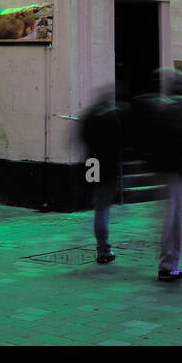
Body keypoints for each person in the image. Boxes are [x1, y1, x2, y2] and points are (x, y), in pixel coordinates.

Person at [139, 68, 182, 282]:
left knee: (169, 219)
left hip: (165, 171)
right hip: (176, 172)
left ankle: (168, 264)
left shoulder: (163, 108)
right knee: (174, 220)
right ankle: (168, 266)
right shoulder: (181, 109)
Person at [79, 83, 125, 264]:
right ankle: (104, 249)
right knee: (103, 207)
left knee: (99, 204)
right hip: (108, 165)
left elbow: (82, 137)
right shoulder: (112, 117)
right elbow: (119, 142)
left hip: (92, 163)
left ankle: (102, 247)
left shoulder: (89, 115)